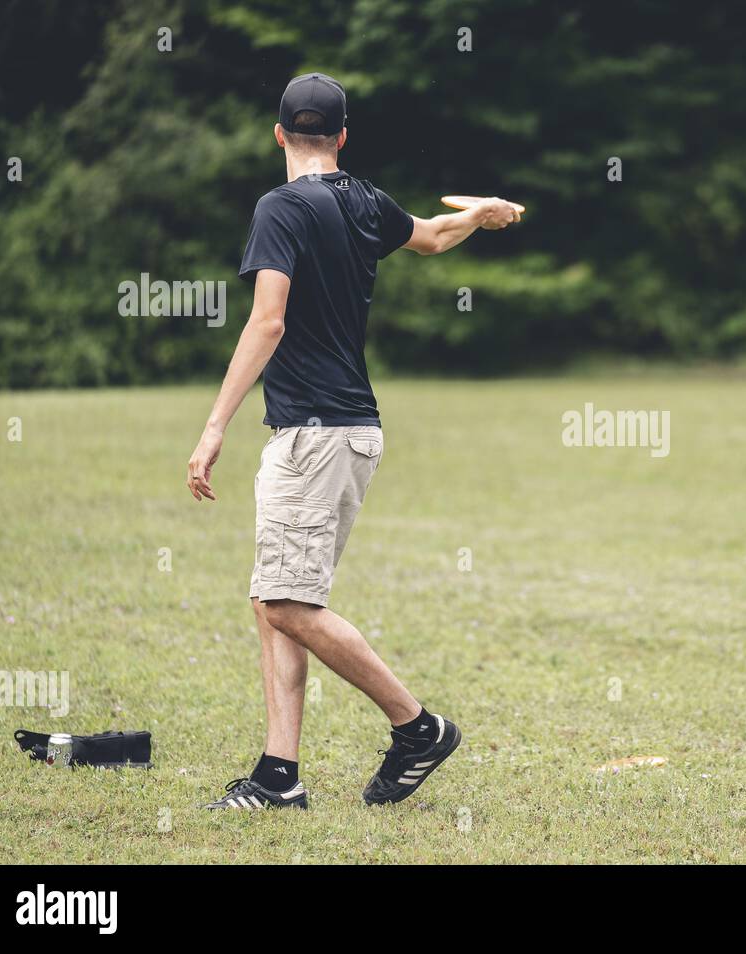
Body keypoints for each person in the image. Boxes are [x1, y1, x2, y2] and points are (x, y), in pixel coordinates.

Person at [185, 73, 520, 809]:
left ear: (278, 135)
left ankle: (418, 727)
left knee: (285, 602)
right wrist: (482, 215)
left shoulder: (279, 208)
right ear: (340, 137)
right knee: (275, 596)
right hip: (346, 431)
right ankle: (279, 776)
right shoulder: (365, 200)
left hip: (314, 433)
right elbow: (431, 238)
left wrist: (213, 429)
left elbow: (267, 320)